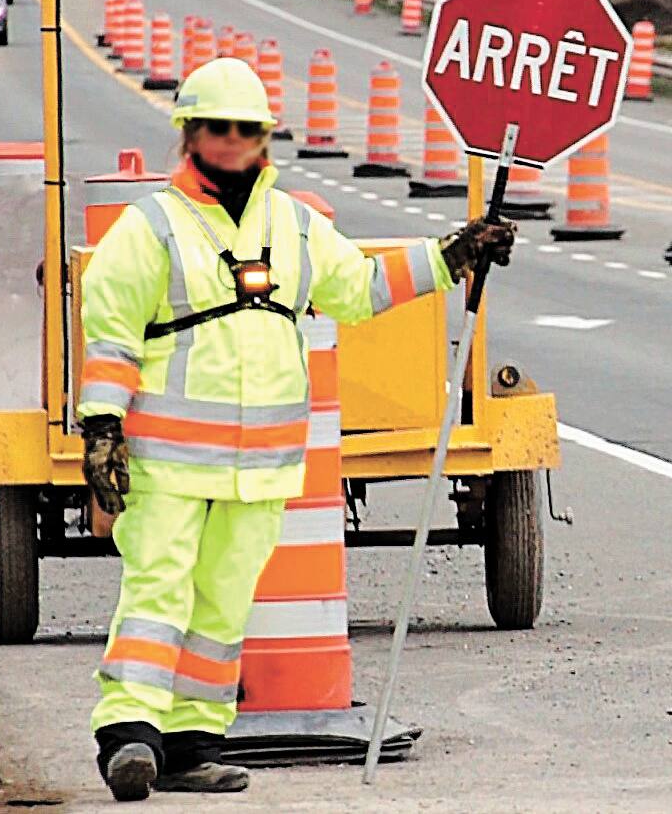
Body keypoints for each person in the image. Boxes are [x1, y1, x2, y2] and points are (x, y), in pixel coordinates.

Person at [77, 58, 514, 803]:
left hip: (263, 464)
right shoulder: (150, 227)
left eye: (244, 130)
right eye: (215, 128)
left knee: (220, 603)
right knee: (157, 589)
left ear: (261, 140)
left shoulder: (293, 225)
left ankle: (188, 745)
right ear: (189, 134)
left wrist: (450, 257)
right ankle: (127, 736)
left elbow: (361, 287)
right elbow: (110, 332)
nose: (230, 141)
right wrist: (101, 426)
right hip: (171, 460)